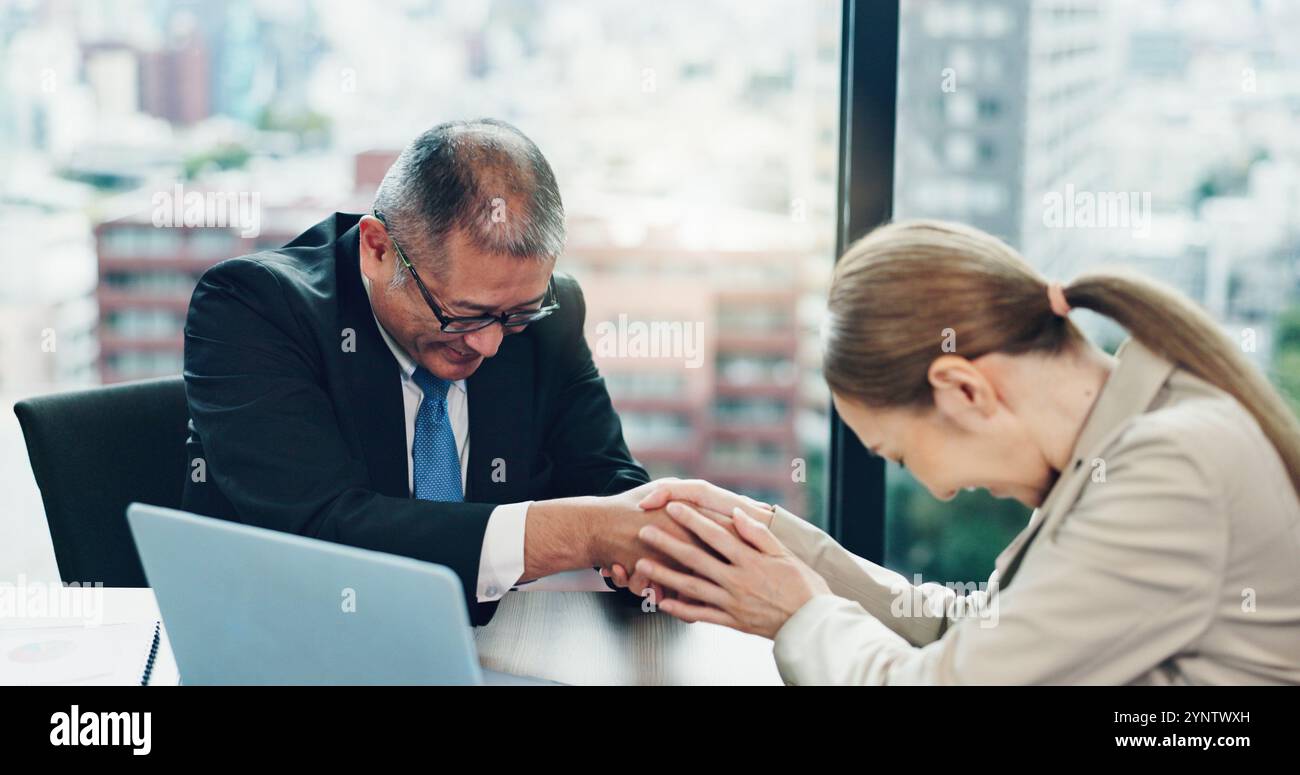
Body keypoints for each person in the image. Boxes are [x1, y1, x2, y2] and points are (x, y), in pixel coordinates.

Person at [622, 218, 1300, 684]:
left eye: (903, 456)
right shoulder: (1129, 443)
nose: (939, 490)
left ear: (962, 388)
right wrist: (772, 539)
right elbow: (974, 632)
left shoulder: (1166, 474)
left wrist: (798, 613)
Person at [181, 118, 762, 625]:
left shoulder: (543, 321)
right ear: (377, 247)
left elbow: (602, 475)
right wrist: (585, 531)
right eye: (464, 315)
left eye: (516, 313)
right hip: (290, 646)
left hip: (485, 653)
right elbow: (323, 531)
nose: (488, 344)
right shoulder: (253, 309)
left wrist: (654, 540)